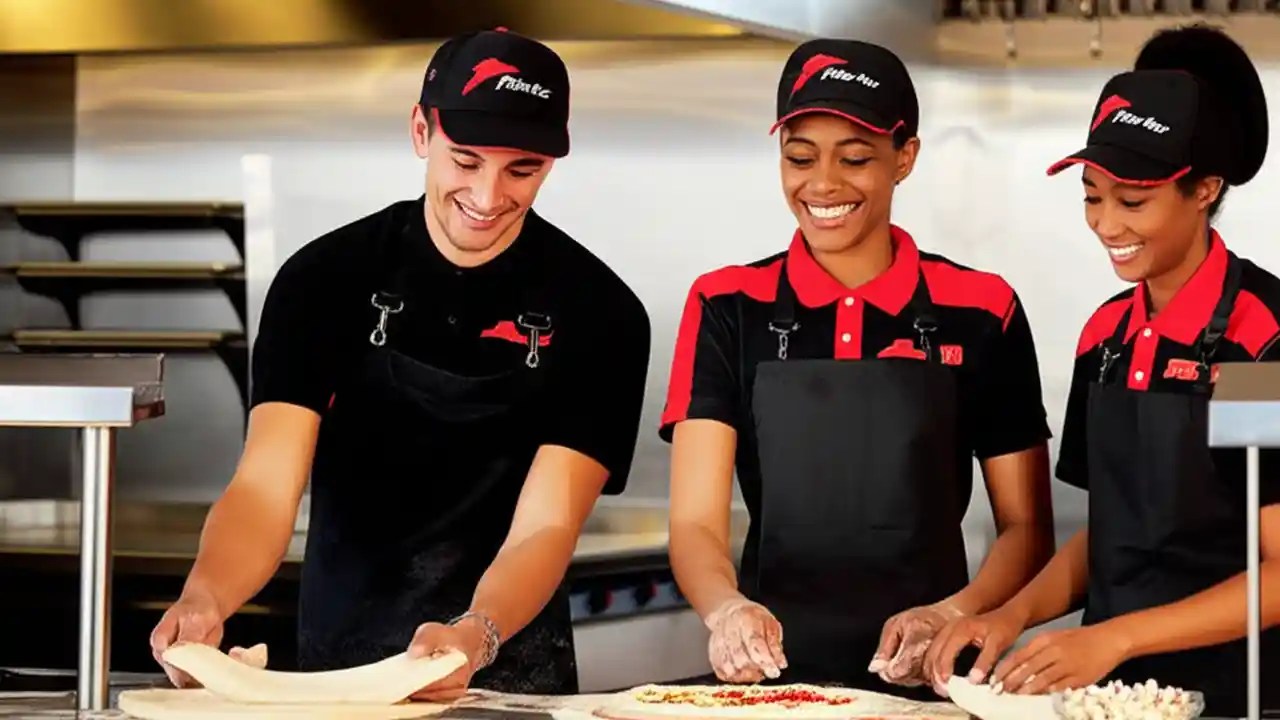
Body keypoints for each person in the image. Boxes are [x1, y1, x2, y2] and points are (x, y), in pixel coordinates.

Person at [147, 28, 651, 698]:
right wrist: (205, 599)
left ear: (553, 161)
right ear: (421, 130)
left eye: (521, 169)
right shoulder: (322, 280)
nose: (488, 194)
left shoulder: (602, 313)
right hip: (335, 677)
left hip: (509, 679)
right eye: (464, 161)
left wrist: (476, 635)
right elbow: (265, 487)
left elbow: (547, 524)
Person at [659, 38, 1056, 696]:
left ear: (906, 158)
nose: (822, 185)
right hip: (772, 684)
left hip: (935, 680)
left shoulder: (983, 309)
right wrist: (727, 610)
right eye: (799, 157)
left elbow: (1027, 528)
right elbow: (696, 522)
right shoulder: (725, 304)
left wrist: (952, 614)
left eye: (855, 158)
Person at [923, 26, 1280, 717]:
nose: (1107, 224)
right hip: (1112, 699)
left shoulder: (1250, 347)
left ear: (1204, 189)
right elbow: (1114, 530)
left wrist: (1115, 638)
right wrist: (1009, 616)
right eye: (1092, 196)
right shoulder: (1108, 339)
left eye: (1133, 201)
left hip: (1240, 697)